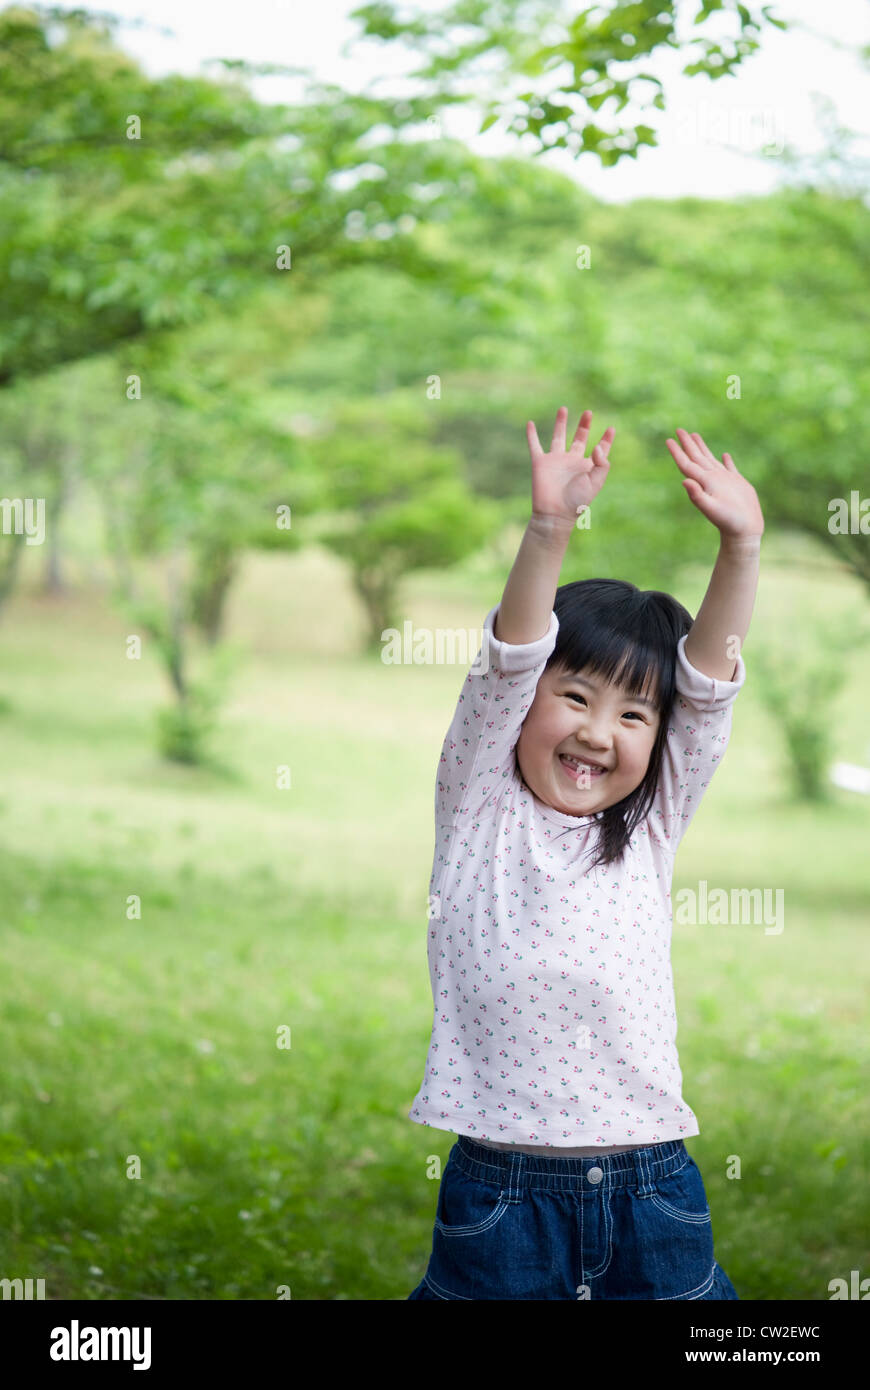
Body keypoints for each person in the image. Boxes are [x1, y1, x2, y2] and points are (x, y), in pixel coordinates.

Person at [406, 406, 764, 1300]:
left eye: (633, 715)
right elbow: (510, 657)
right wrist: (549, 528)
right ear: (530, 702)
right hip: (501, 1189)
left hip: (652, 1184)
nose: (598, 733)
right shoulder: (480, 800)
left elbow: (709, 684)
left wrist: (741, 549)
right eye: (575, 696)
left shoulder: (651, 821)